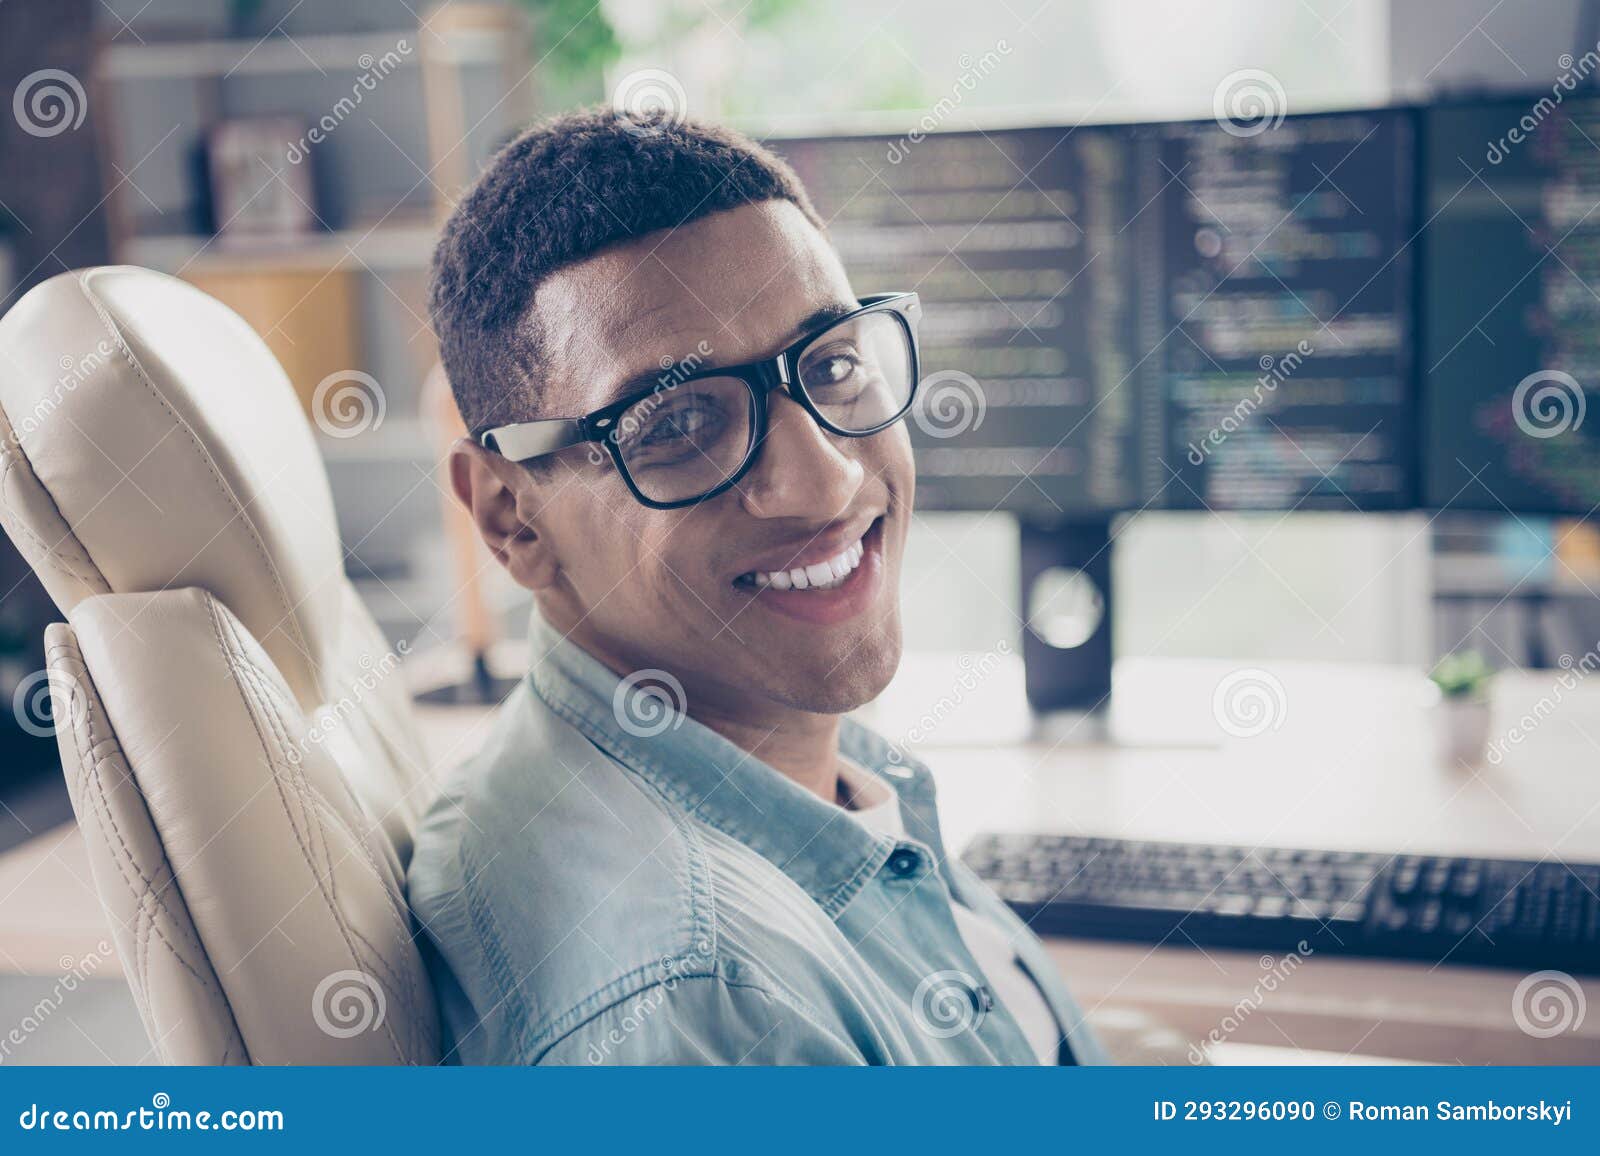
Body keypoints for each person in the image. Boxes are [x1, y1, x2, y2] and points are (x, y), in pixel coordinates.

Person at [409, 107, 1104, 1065]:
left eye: (834, 363)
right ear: (510, 516)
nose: (824, 480)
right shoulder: (714, 1006)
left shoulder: (796, 763)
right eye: (680, 421)